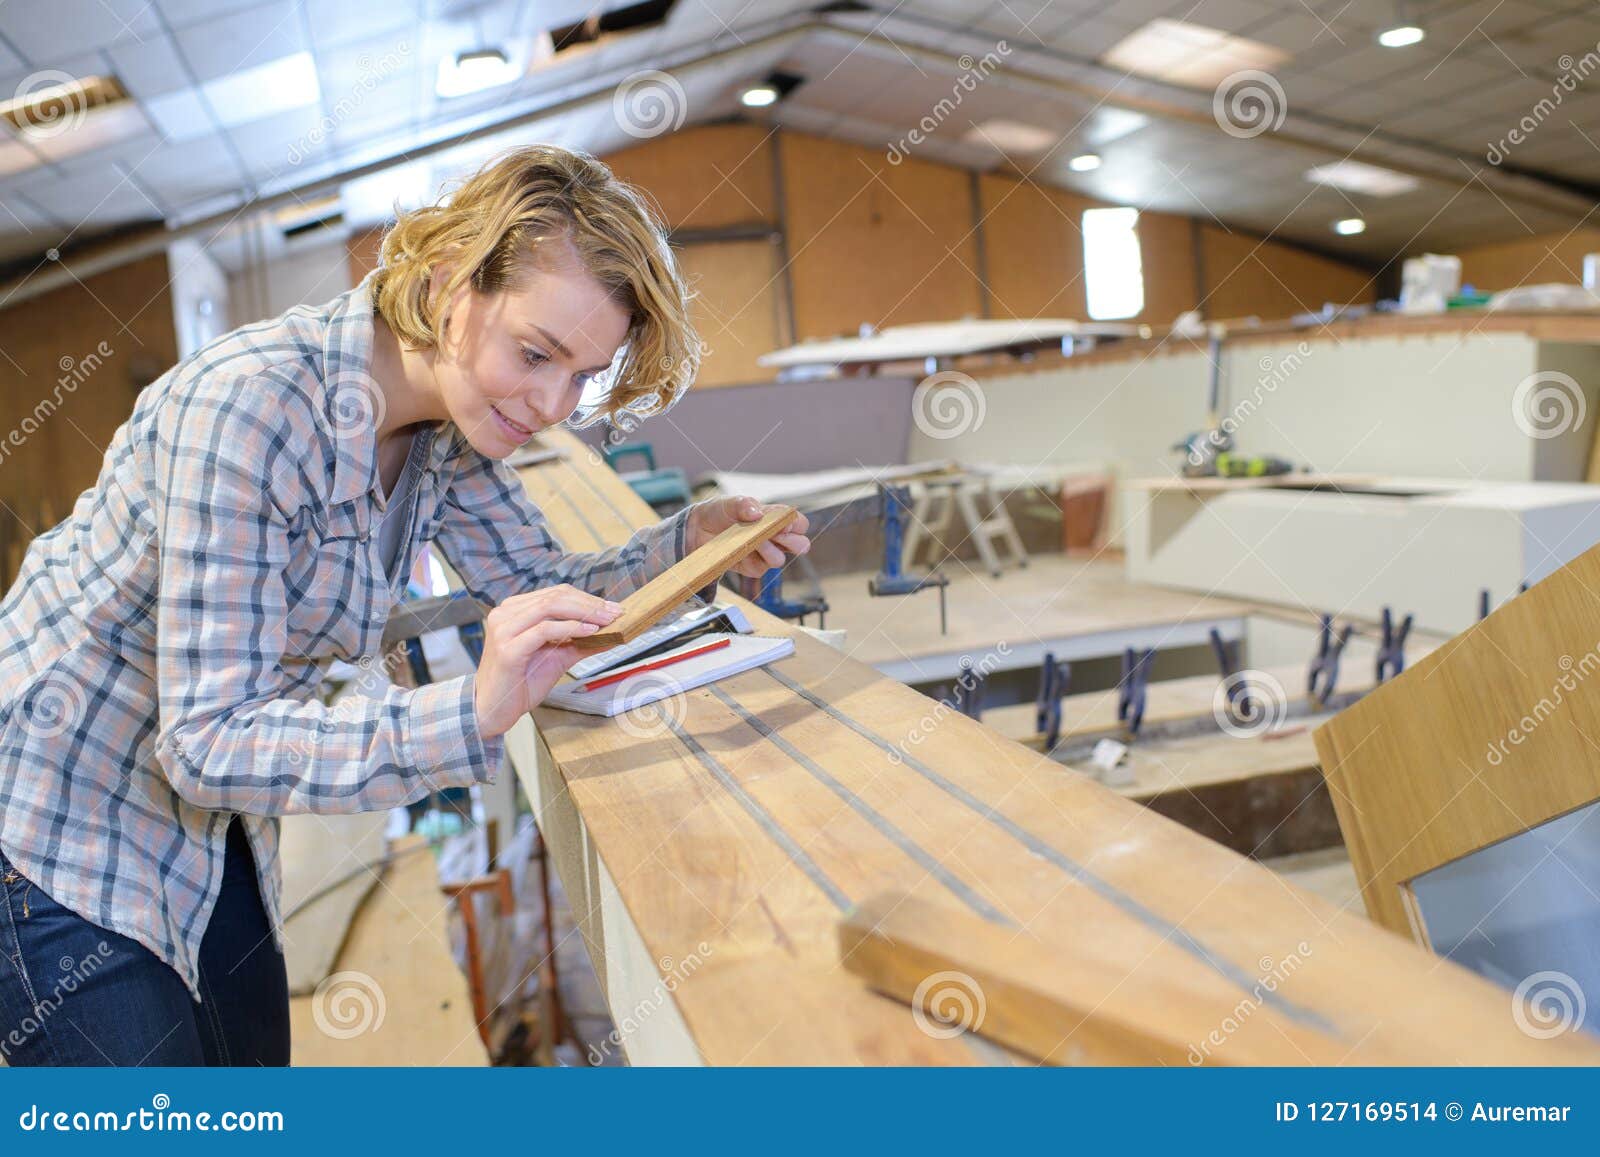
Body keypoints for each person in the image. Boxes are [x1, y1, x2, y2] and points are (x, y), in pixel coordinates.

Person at [0, 144, 809, 1066]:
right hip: (53, 819)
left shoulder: (451, 427)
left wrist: (688, 547)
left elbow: (538, 585)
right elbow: (208, 741)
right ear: (445, 286)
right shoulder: (251, 408)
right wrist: (468, 711)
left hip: (204, 825)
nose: (552, 402)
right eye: (535, 353)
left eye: (583, 374)